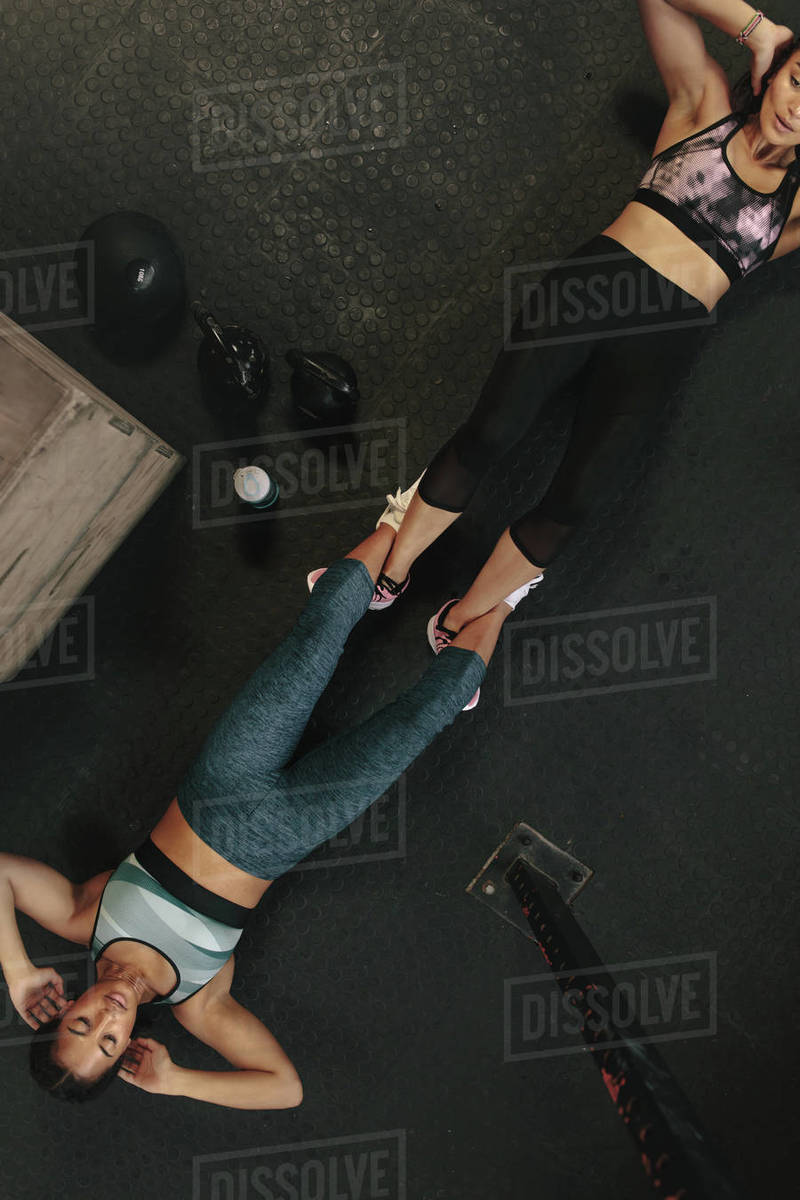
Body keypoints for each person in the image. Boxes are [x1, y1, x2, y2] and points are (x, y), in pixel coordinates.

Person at [0, 499, 539, 1107]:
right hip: (289, 831)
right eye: (107, 1042)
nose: (107, 1018)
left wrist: (18, 972)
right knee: (427, 715)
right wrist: (175, 1081)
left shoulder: (84, 919)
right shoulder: (196, 1003)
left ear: (65, 1006)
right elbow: (284, 1089)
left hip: (223, 779)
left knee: (318, 636)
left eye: (81, 1024)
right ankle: (505, 594)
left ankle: (399, 523)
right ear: (126, 1049)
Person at [334, 2, 800, 657]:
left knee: (575, 502)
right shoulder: (704, 105)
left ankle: (464, 617)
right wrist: (761, 31)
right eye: (798, 81)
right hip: (592, 291)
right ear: (776, 72)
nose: (796, 107)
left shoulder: (794, 209)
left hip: (663, 346)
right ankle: (394, 571)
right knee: (491, 431)